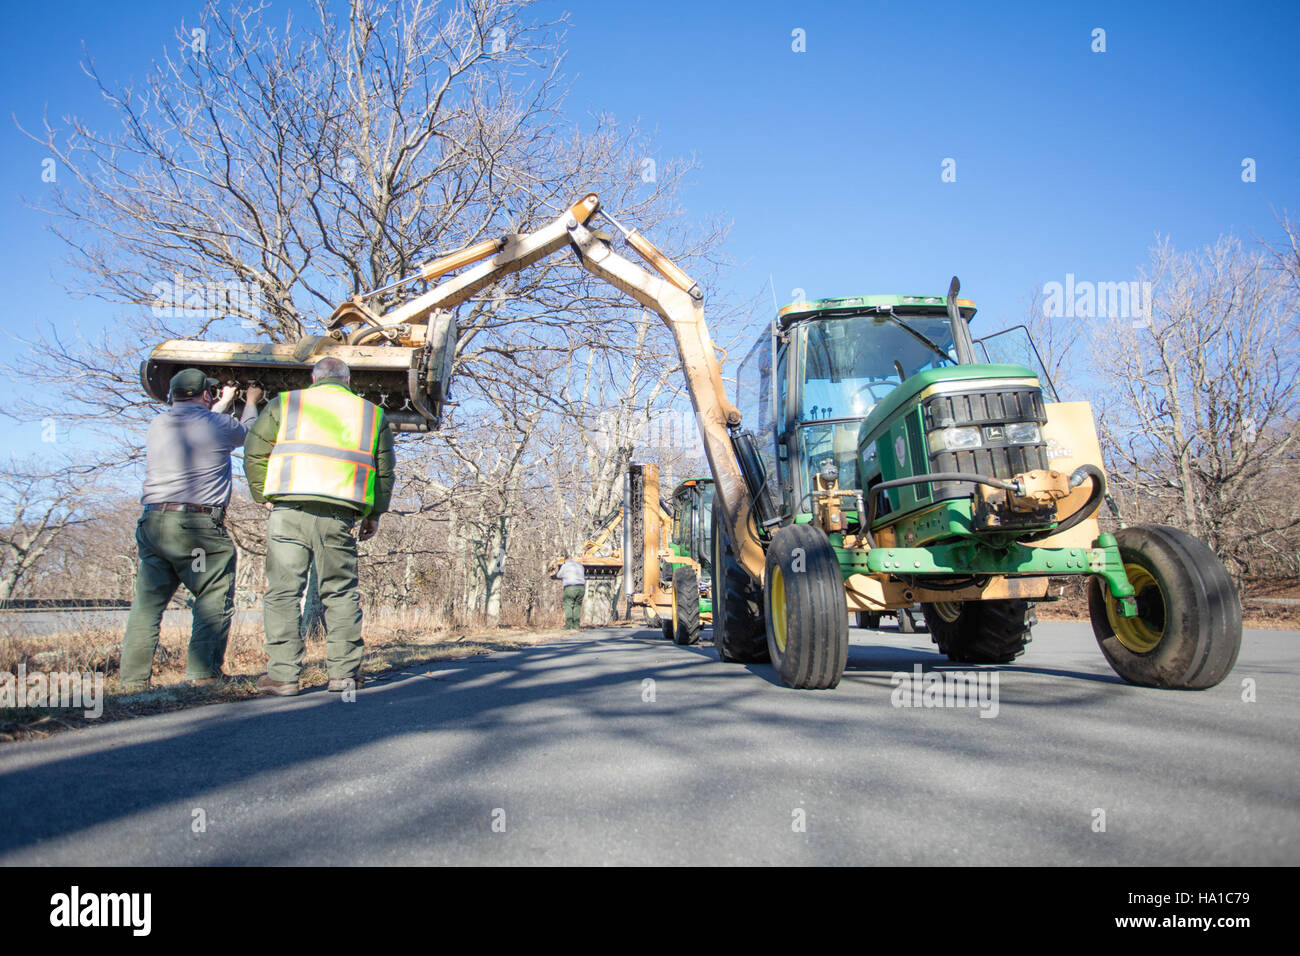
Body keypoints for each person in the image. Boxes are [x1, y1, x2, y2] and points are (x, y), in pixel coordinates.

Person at [243, 357, 395, 696]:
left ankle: (283, 677)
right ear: (348, 380)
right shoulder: (371, 414)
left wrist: (262, 495)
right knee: (340, 593)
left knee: (283, 592)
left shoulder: (286, 403)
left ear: (314, 377)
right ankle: (342, 675)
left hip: (288, 510)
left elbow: (254, 452)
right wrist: (374, 514)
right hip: (339, 515)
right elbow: (384, 471)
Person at [120, 369, 262, 692]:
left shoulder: (158, 425)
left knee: (147, 605)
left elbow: (201, 424)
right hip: (196, 529)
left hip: (154, 524)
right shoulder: (217, 425)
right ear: (205, 395)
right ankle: (203, 673)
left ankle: (131, 682)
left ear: (171, 396)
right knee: (212, 594)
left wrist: (224, 400)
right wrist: (250, 401)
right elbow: (248, 434)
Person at [554, 557, 586, 629]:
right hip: (581, 587)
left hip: (570, 587)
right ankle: (576, 625)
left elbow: (559, 575)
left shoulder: (565, 566)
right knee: (577, 606)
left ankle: (569, 625)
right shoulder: (580, 565)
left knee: (568, 605)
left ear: (566, 560)